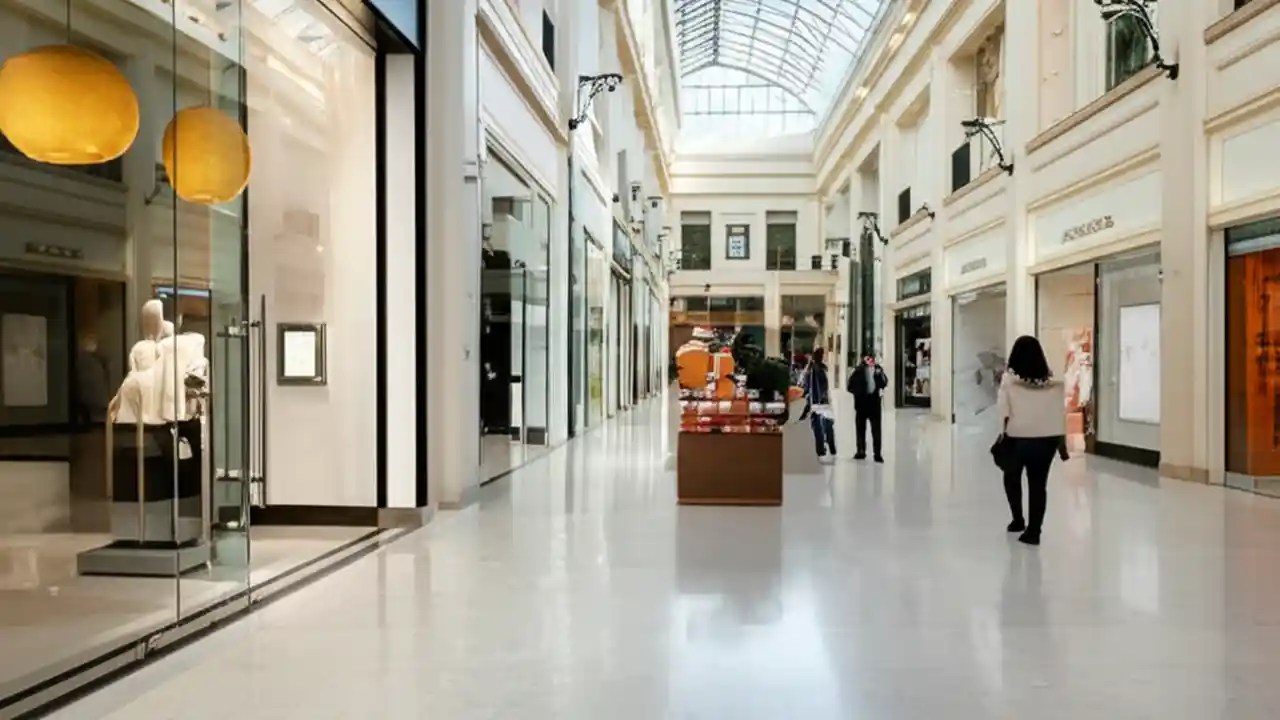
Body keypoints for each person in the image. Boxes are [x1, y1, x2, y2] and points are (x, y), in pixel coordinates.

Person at [997, 335, 1070, 546]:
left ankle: (1018, 519)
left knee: (1012, 477)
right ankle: (1034, 531)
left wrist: (1002, 432)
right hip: (1047, 439)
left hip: (1018, 437)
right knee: (1038, 485)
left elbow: (1003, 410)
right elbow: (1058, 412)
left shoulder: (1009, 381)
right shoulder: (1053, 384)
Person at [847, 351, 888, 462]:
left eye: (872, 358)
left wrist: (880, 375)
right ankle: (861, 451)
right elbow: (849, 386)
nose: (870, 361)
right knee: (860, 429)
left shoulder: (878, 369)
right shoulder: (858, 370)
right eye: (868, 359)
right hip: (861, 403)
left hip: (874, 403)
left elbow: (884, 383)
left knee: (876, 430)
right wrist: (858, 393)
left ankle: (877, 453)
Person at [801, 348, 837, 462]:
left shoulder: (811, 369)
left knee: (819, 425)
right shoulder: (818, 369)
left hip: (816, 402)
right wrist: (822, 399)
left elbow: (806, 387)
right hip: (820, 402)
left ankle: (823, 448)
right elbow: (818, 387)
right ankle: (828, 448)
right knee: (825, 424)